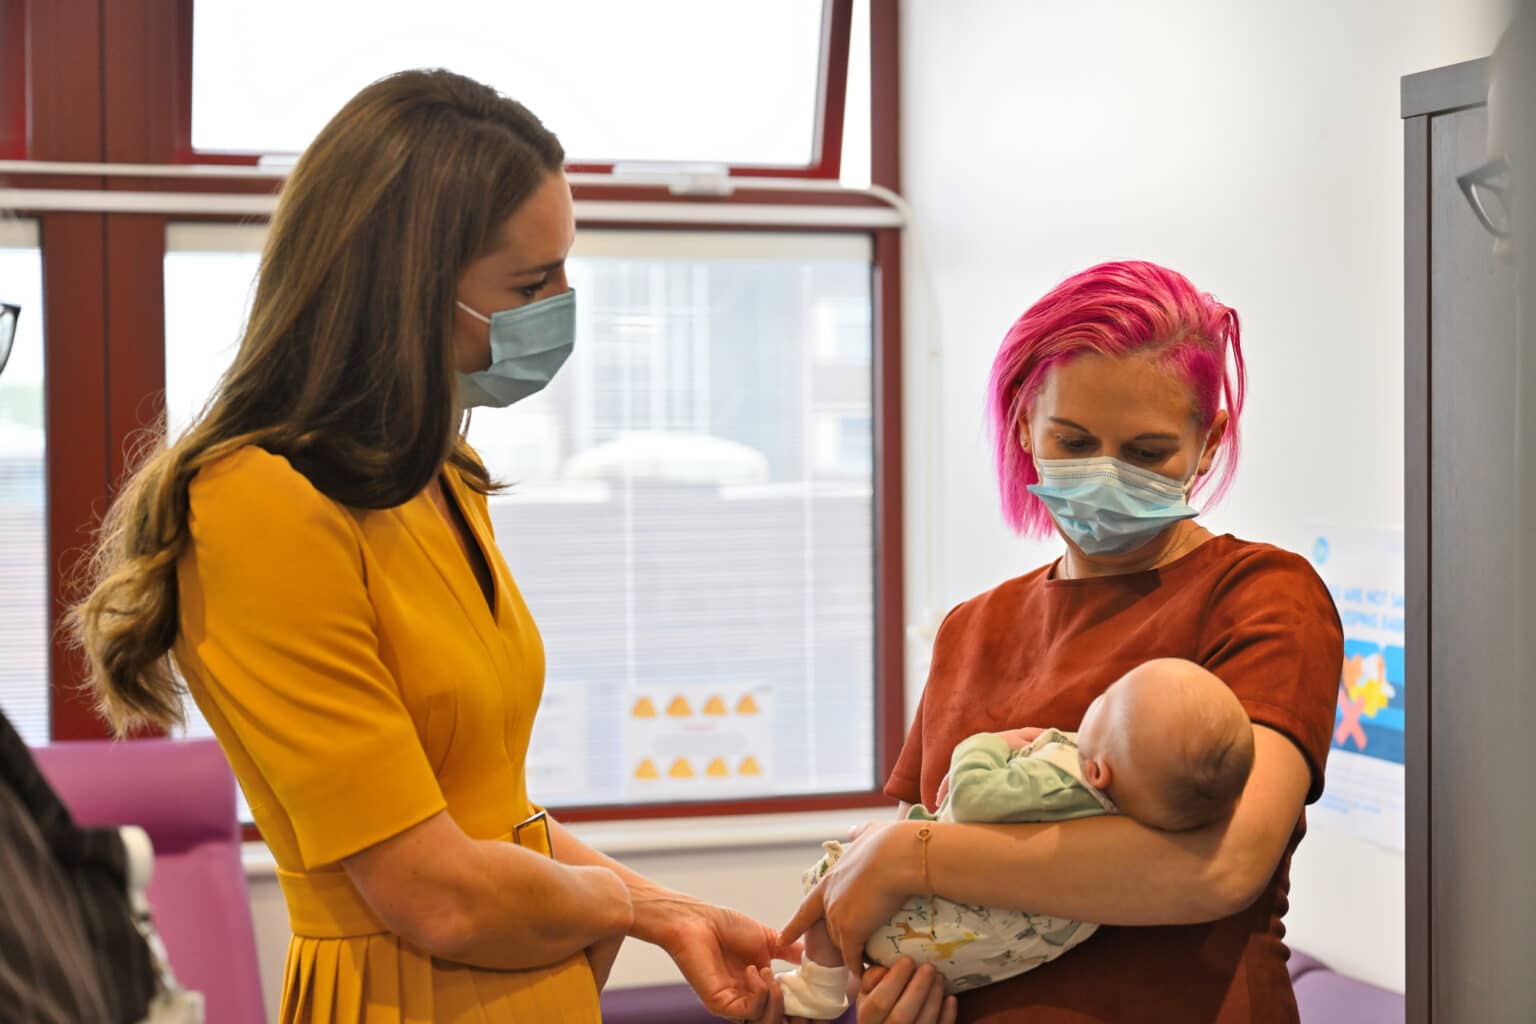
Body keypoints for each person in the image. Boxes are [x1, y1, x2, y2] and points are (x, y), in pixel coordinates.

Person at [69, 69, 794, 1024]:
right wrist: (629, 907)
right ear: (403, 289)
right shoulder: (257, 503)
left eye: (565, 270)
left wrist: (676, 913)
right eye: (532, 284)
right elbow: (433, 890)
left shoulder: (439, 470)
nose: (563, 305)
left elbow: (492, 814)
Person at [765, 260, 1342, 1023]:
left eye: (1146, 453)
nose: (1104, 474)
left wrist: (914, 859)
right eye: (1072, 441)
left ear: (1209, 443)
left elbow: (1218, 868)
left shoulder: (1260, 597)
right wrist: (885, 996)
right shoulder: (973, 629)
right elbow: (901, 892)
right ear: (1023, 426)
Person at [775, 658, 1254, 1018]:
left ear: (1098, 769)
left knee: (834, 874)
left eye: (1104, 700)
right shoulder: (1132, 825)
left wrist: (986, 743)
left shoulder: (1064, 776)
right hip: (967, 961)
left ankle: (817, 985)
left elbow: (969, 799)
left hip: (933, 935)